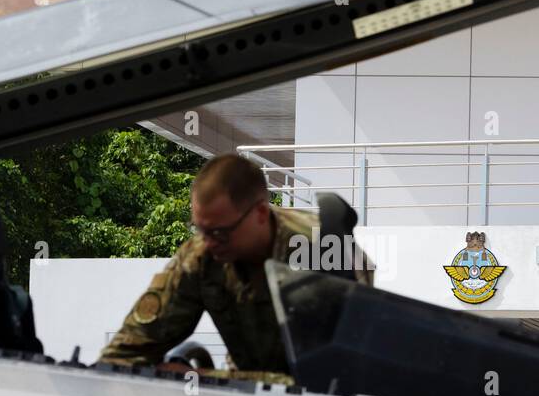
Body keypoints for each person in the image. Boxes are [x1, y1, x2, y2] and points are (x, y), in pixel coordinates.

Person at [99, 153, 372, 381]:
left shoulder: (325, 250)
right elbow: (128, 351)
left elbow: (334, 381)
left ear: (261, 213)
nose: (208, 243)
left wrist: (205, 380)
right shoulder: (199, 256)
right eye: (199, 229)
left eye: (219, 232)